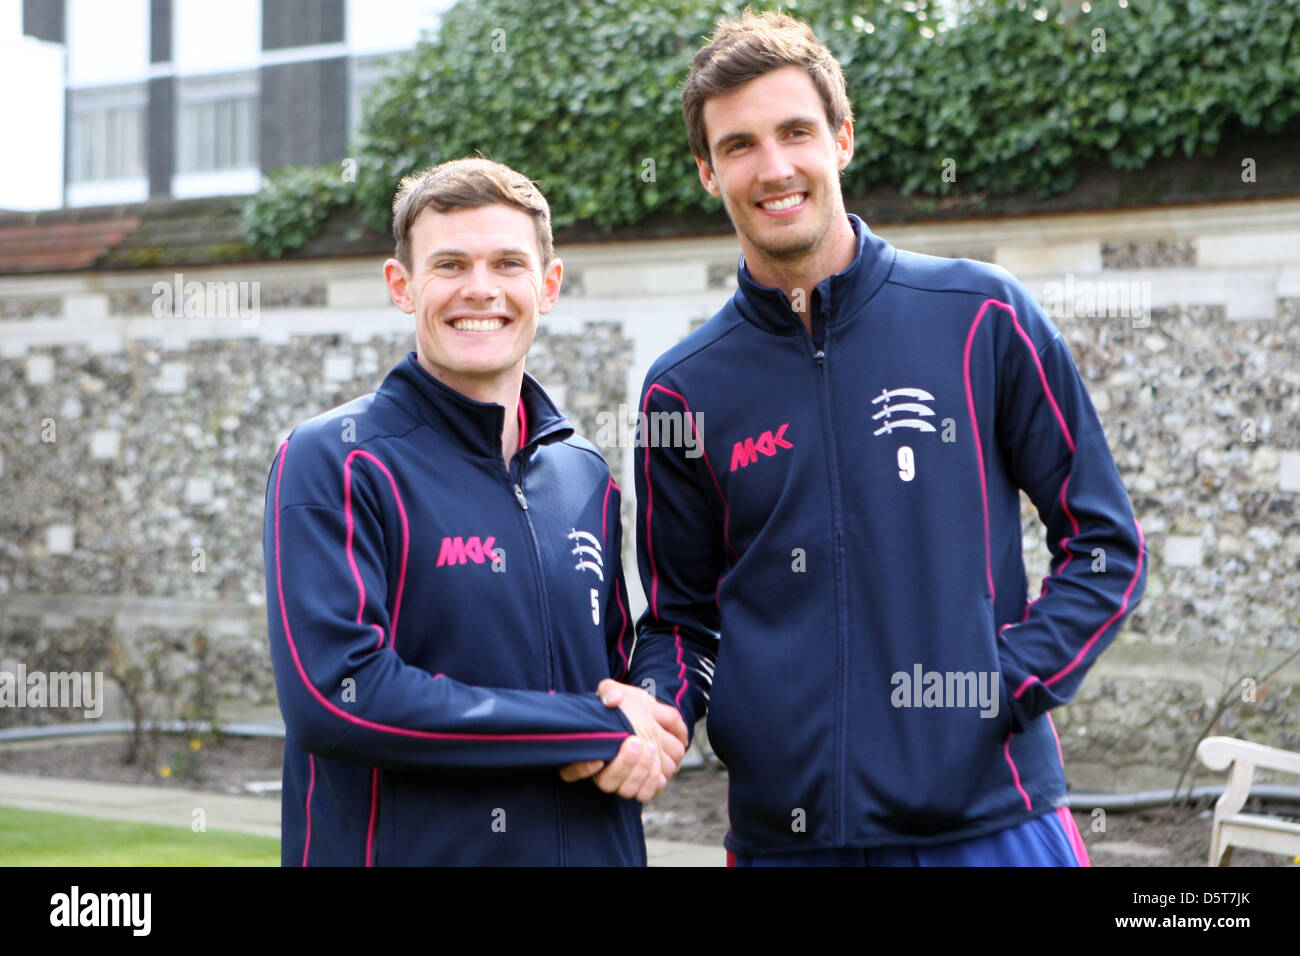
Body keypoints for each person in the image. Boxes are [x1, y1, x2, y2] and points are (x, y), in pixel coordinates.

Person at [625, 11, 1147, 865]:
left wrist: (1002, 686)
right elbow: (683, 620)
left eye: (796, 131)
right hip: (786, 839)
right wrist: (659, 707)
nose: (776, 167)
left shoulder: (982, 316)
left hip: (993, 824)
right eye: (740, 145)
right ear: (707, 172)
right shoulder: (682, 389)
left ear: (844, 139)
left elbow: (1105, 546)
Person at [262, 157, 687, 866]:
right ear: (403, 286)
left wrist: (649, 719)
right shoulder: (336, 459)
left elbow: (616, 670)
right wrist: (589, 728)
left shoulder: (585, 475)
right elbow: (337, 695)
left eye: (508, 264)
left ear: (547, 285)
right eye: (450, 265)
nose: (481, 290)